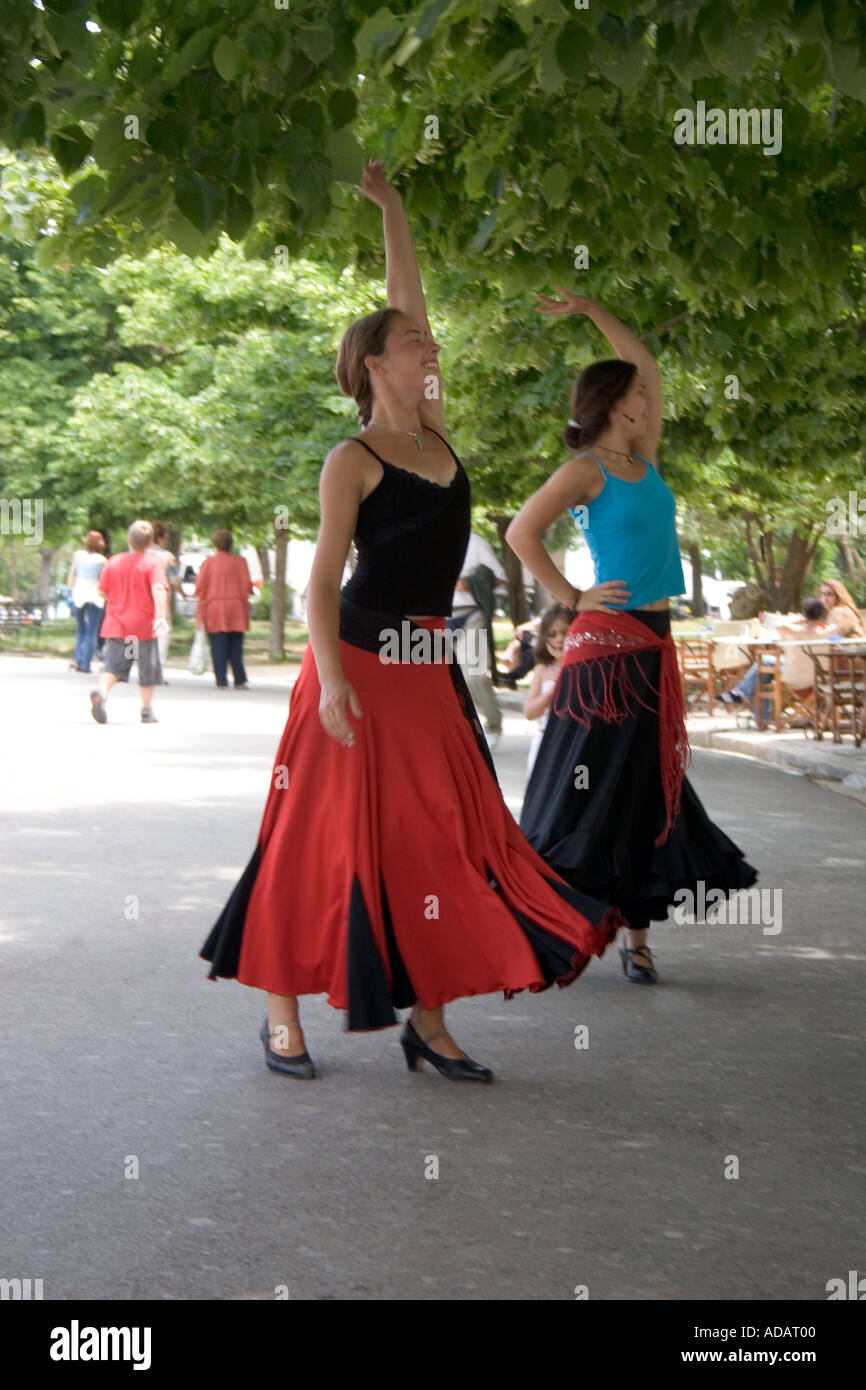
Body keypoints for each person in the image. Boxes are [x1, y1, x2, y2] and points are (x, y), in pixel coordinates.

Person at [200, 161, 624, 1082]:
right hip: (353, 663)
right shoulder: (350, 458)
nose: (430, 349)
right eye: (414, 343)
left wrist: (392, 209)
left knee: (438, 837)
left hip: (425, 665)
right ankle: (281, 1010)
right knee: (314, 835)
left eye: (429, 341)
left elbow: (406, 291)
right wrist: (335, 681)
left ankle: (427, 1026)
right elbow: (317, 587)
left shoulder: (434, 428)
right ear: (373, 365)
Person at [506, 289, 757, 984]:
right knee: (582, 790)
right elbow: (521, 533)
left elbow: (642, 357)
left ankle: (636, 942)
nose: (648, 397)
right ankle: (545, 925)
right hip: (605, 642)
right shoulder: (584, 469)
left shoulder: (644, 455)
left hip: (654, 640)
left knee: (646, 791)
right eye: (637, 395)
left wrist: (592, 310)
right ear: (617, 402)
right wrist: (570, 597)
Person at [89, 520, 169, 724]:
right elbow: (159, 588)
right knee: (147, 668)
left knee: (114, 665)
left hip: (117, 625)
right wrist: (161, 616)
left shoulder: (113, 562)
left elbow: (102, 591)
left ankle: (101, 692)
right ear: (150, 543)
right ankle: (146, 710)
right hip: (142, 626)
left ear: (128, 540)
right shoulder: (151, 564)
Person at [721, 598, 829, 720]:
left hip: (794, 675)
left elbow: (778, 625)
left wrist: (800, 620)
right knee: (765, 669)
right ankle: (746, 702)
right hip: (818, 675)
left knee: (765, 663)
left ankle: (747, 703)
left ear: (805, 613)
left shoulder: (797, 631)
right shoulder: (826, 631)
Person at [194, 532, 255, 689]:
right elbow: (248, 586)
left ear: (215, 544)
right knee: (236, 644)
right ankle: (239, 679)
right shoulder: (240, 561)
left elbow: (200, 586)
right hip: (237, 607)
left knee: (218, 644)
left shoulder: (208, 562)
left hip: (215, 608)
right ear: (230, 544)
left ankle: (221, 680)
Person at [524, 605, 570, 777]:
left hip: (570, 743)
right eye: (552, 634)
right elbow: (529, 712)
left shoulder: (582, 671)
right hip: (544, 741)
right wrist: (550, 693)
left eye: (566, 632)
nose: (560, 639)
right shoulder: (542, 671)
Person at [148, 523, 186, 681]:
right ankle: (158, 670)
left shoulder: (138, 554)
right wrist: (183, 594)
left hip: (139, 598)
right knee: (162, 632)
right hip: (160, 599)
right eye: (165, 537)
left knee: (135, 633)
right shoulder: (167, 557)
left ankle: (133, 664)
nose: (166, 540)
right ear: (160, 537)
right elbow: (174, 579)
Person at [66, 531, 106, 673]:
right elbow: (103, 580)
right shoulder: (102, 560)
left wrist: (70, 588)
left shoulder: (78, 555)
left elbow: (72, 572)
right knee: (92, 631)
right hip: (95, 595)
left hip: (80, 593)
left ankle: (78, 659)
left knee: (81, 629)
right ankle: (86, 664)